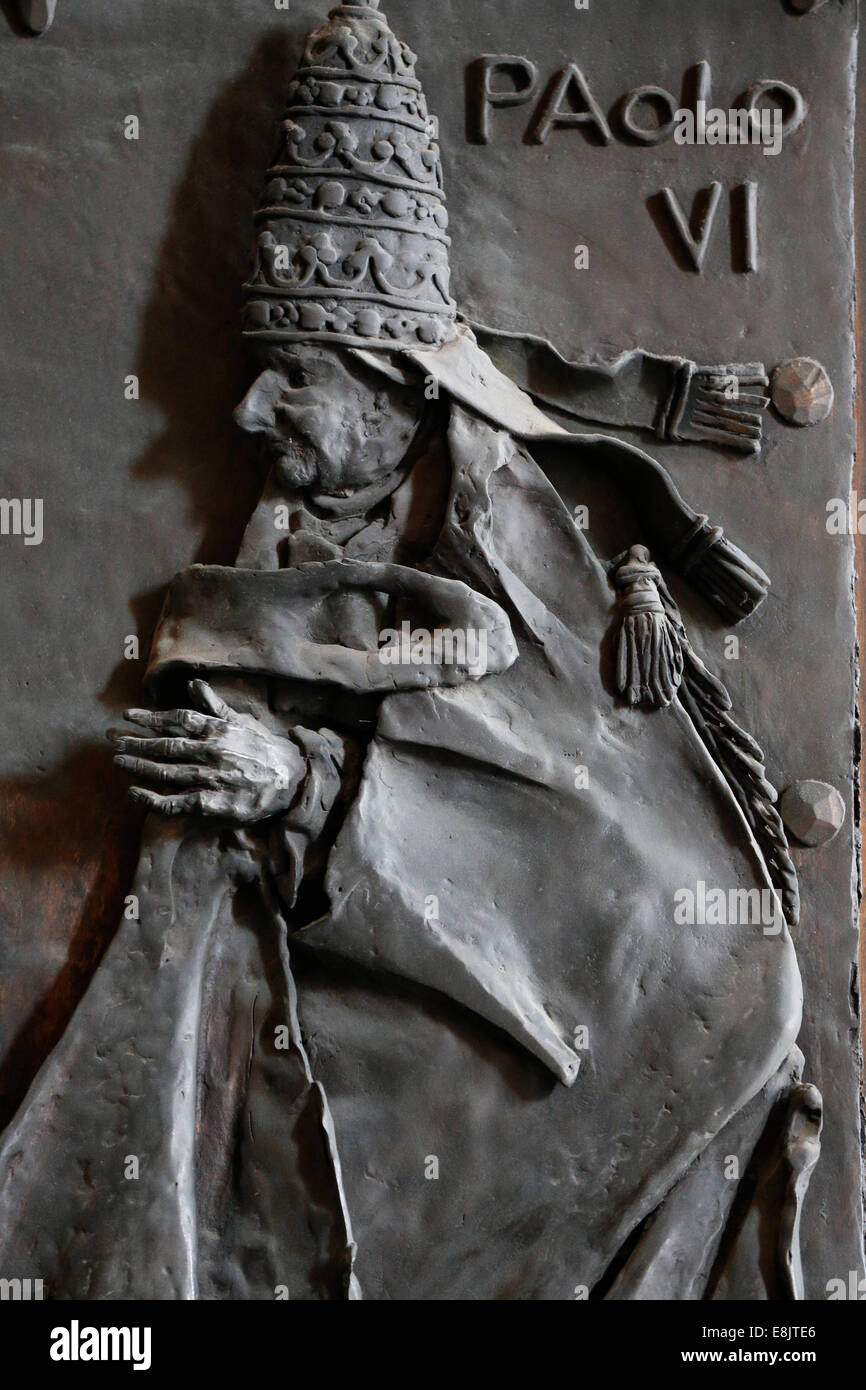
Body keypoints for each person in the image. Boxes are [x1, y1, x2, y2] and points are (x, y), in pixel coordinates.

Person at [0, 0, 818, 1300]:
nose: (249, 409)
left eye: (298, 374)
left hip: (595, 1067)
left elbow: (592, 878)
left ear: (395, 388)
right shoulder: (289, 531)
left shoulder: (521, 563)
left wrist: (301, 789)